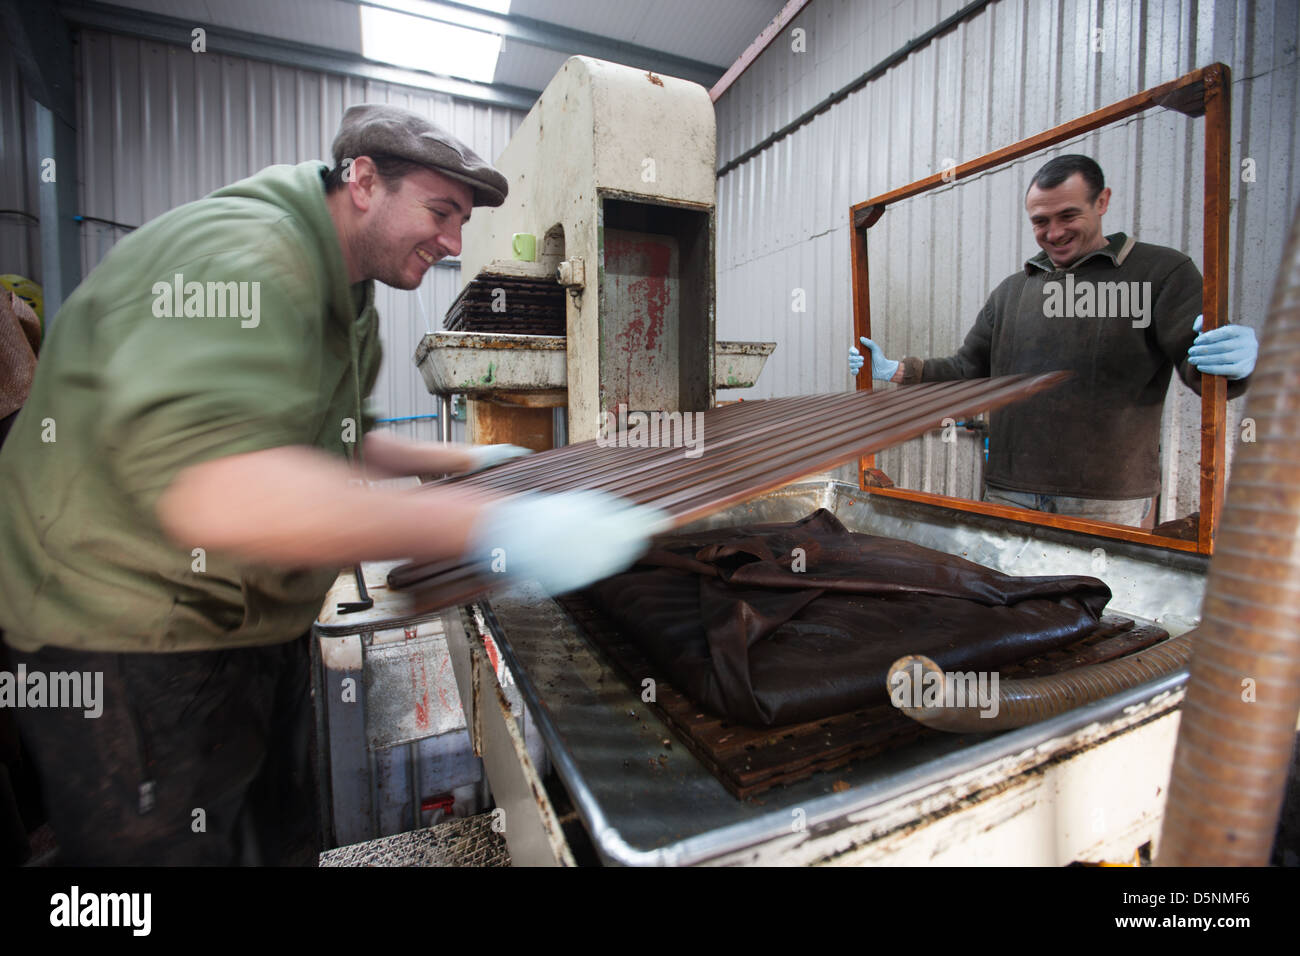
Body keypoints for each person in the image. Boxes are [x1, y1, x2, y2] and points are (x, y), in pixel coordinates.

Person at [0, 104, 664, 865]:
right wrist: (485, 527)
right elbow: (221, 491)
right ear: (363, 181)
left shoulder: (346, 294)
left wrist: (471, 466)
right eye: (441, 212)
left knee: (279, 835)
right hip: (125, 628)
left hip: (251, 614)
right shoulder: (247, 259)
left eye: (462, 221)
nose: (452, 243)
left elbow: (333, 437)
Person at [849, 154, 1257, 524]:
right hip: (1010, 491)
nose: (1054, 232)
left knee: (1092, 605)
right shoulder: (1014, 292)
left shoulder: (1159, 273)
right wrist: (896, 369)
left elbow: (1201, 365)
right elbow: (967, 368)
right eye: (1041, 221)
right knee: (1006, 603)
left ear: (1102, 202)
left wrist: (1236, 363)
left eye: (1068, 215)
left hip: (1103, 502)